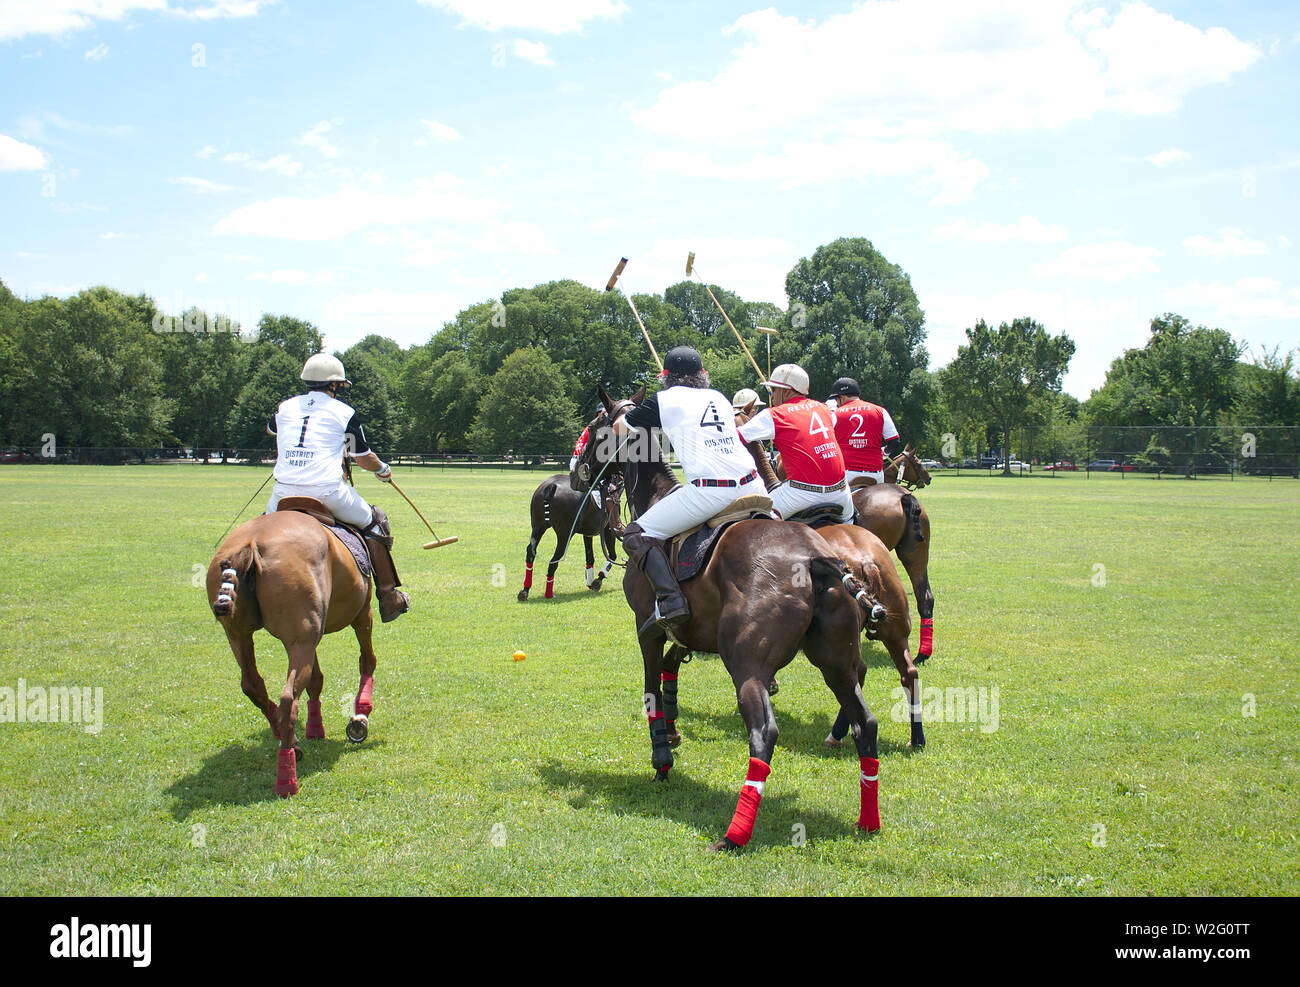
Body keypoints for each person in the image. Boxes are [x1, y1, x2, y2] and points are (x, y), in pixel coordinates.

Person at [615, 346, 763, 635]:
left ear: (665, 376)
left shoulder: (663, 399)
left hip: (711, 493)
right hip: (755, 486)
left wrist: (632, 411)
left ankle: (671, 603)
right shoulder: (718, 396)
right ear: (703, 375)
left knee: (636, 532)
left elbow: (621, 428)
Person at [266, 353, 410, 622]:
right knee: (376, 520)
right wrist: (382, 470)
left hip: (283, 492)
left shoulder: (285, 407)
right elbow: (362, 456)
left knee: (263, 530)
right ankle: (389, 596)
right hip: (327, 491)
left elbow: (272, 430)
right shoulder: (343, 413)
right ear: (334, 385)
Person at [737, 363, 854, 523]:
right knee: (853, 522)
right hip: (840, 493)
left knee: (753, 522)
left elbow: (737, 437)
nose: (771, 395)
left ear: (786, 391)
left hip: (800, 494)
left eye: (774, 390)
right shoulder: (825, 409)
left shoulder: (775, 415)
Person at [827, 377, 903, 486]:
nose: (837, 403)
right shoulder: (880, 411)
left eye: (836, 399)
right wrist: (885, 452)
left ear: (841, 397)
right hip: (875, 474)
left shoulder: (835, 415)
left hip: (846, 474)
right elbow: (895, 441)